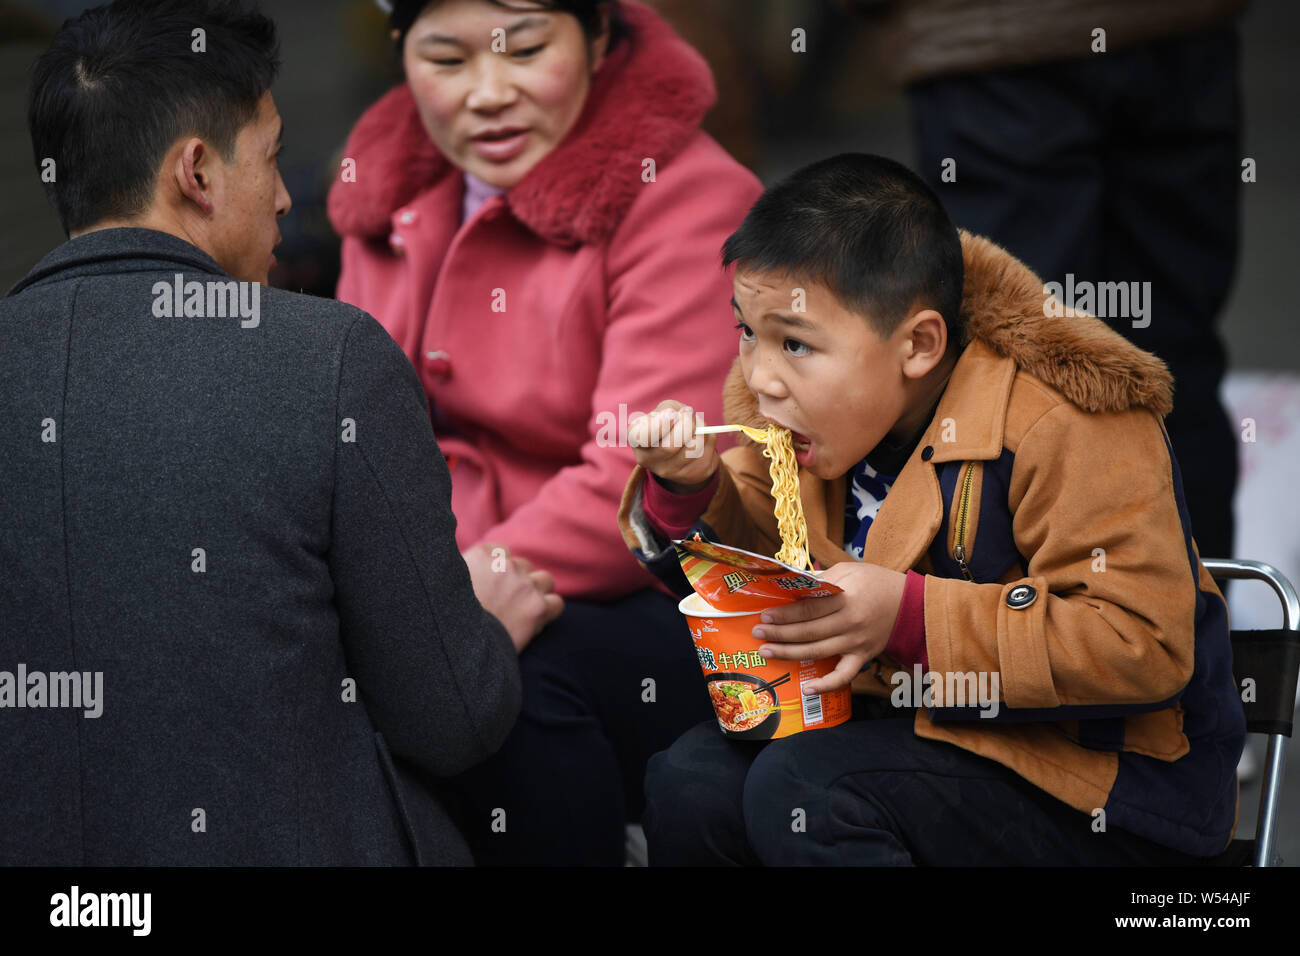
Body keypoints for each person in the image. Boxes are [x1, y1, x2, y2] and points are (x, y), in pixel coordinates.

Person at [1, 0, 533, 866]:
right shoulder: (327, 362)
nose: (289, 199)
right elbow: (451, 718)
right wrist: (488, 630)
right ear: (198, 173)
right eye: (274, 159)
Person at [620, 153, 1246, 865]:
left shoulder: (1068, 418)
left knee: (808, 792)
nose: (760, 376)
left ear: (919, 344)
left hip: (1107, 794)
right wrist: (687, 490)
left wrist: (909, 616)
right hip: (905, 738)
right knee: (689, 781)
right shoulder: (809, 426)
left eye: (795, 342)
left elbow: (1144, 645)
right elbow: (765, 566)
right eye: (747, 332)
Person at [329, 0, 762, 865]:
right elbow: (350, 449)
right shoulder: (386, 192)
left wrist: (441, 607)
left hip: (641, 596)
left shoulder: (687, 195)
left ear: (599, 38)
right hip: (446, 579)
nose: (487, 93)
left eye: (524, 49)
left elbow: (632, 482)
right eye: (447, 60)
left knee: (505, 685)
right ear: (399, 54)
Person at [861, 0, 1248, 565]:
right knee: (1173, 355)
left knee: (1008, 369)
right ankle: (1200, 636)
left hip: (994, 42)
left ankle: (1058, 634)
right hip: (1178, 27)